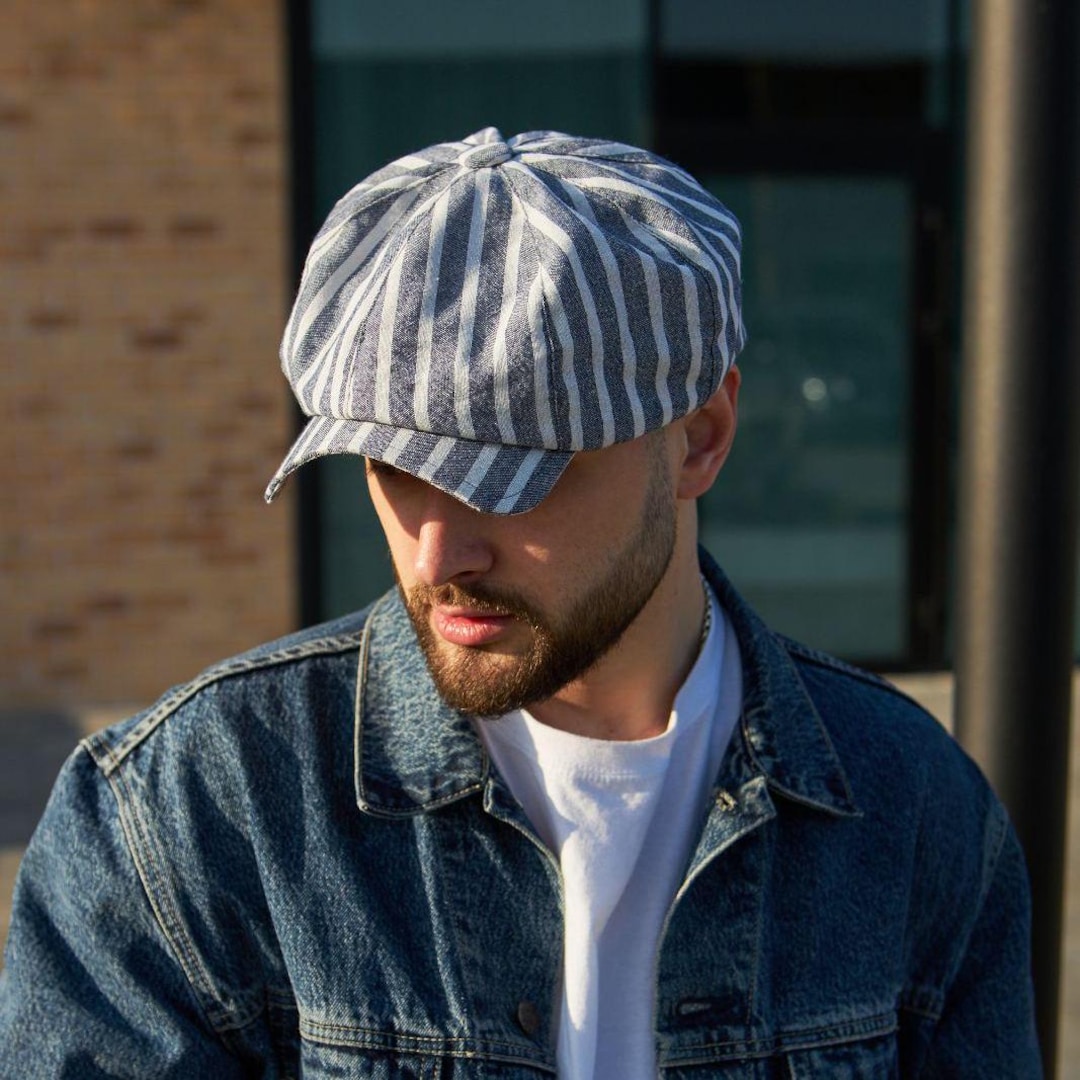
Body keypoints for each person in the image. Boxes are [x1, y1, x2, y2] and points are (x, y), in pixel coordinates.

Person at [0, 128, 1039, 1078]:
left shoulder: (912, 815)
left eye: (517, 473)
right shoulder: (192, 815)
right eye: (396, 467)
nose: (439, 548)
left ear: (701, 435)